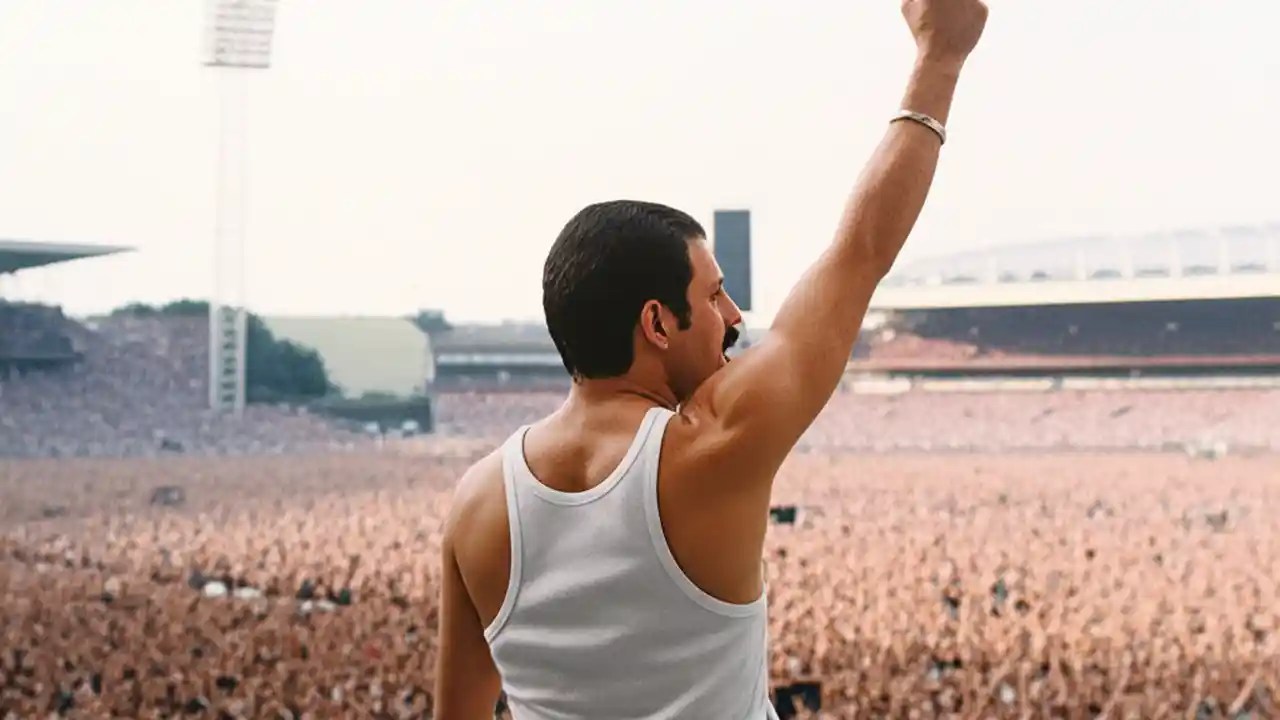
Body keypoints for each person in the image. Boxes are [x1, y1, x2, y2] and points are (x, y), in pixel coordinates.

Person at [434, 1, 988, 716]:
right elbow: (861, 254)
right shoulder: (710, 447)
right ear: (657, 323)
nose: (734, 318)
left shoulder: (475, 505)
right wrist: (939, 60)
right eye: (717, 295)